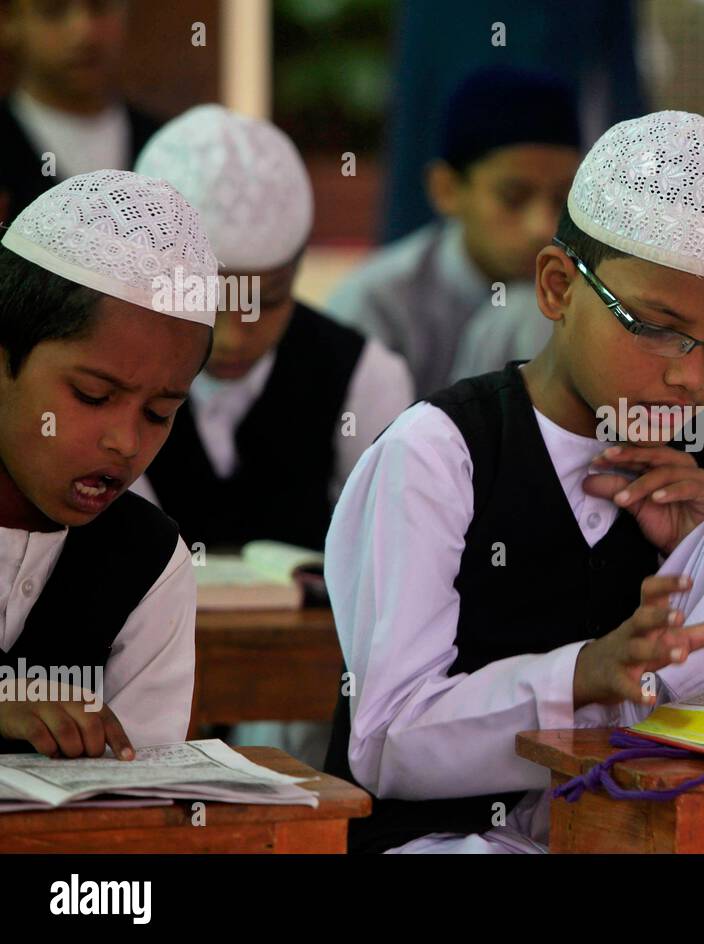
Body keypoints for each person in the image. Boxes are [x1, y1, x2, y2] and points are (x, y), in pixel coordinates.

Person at [323, 111, 704, 853]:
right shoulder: (439, 452)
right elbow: (385, 741)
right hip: (442, 841)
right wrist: (582, 675)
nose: (688, 376)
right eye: (654, 327)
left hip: (634, 827)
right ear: (557, 288)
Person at [0, 170, 215, 755]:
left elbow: (137, 790)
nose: (125, 441)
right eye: (93, 396)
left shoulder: (148, 563)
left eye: (159, 412)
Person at [132, 104, 414, 552]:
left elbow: (391, 554)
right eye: (207, 305)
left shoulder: (364, 376)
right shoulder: (112, 372)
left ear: (297, 270)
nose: (233, 336)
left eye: (265, 304)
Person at [328, 66, 582, 394]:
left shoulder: (587, 296)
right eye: (513, 198)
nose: (542, 226)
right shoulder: (376, 307)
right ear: (446, 189)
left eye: (563, 199)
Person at [0, 0, 159, 222]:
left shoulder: (170, 147)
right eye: (53, 12)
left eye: (100, 7)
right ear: (9, 21)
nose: (85, 32)